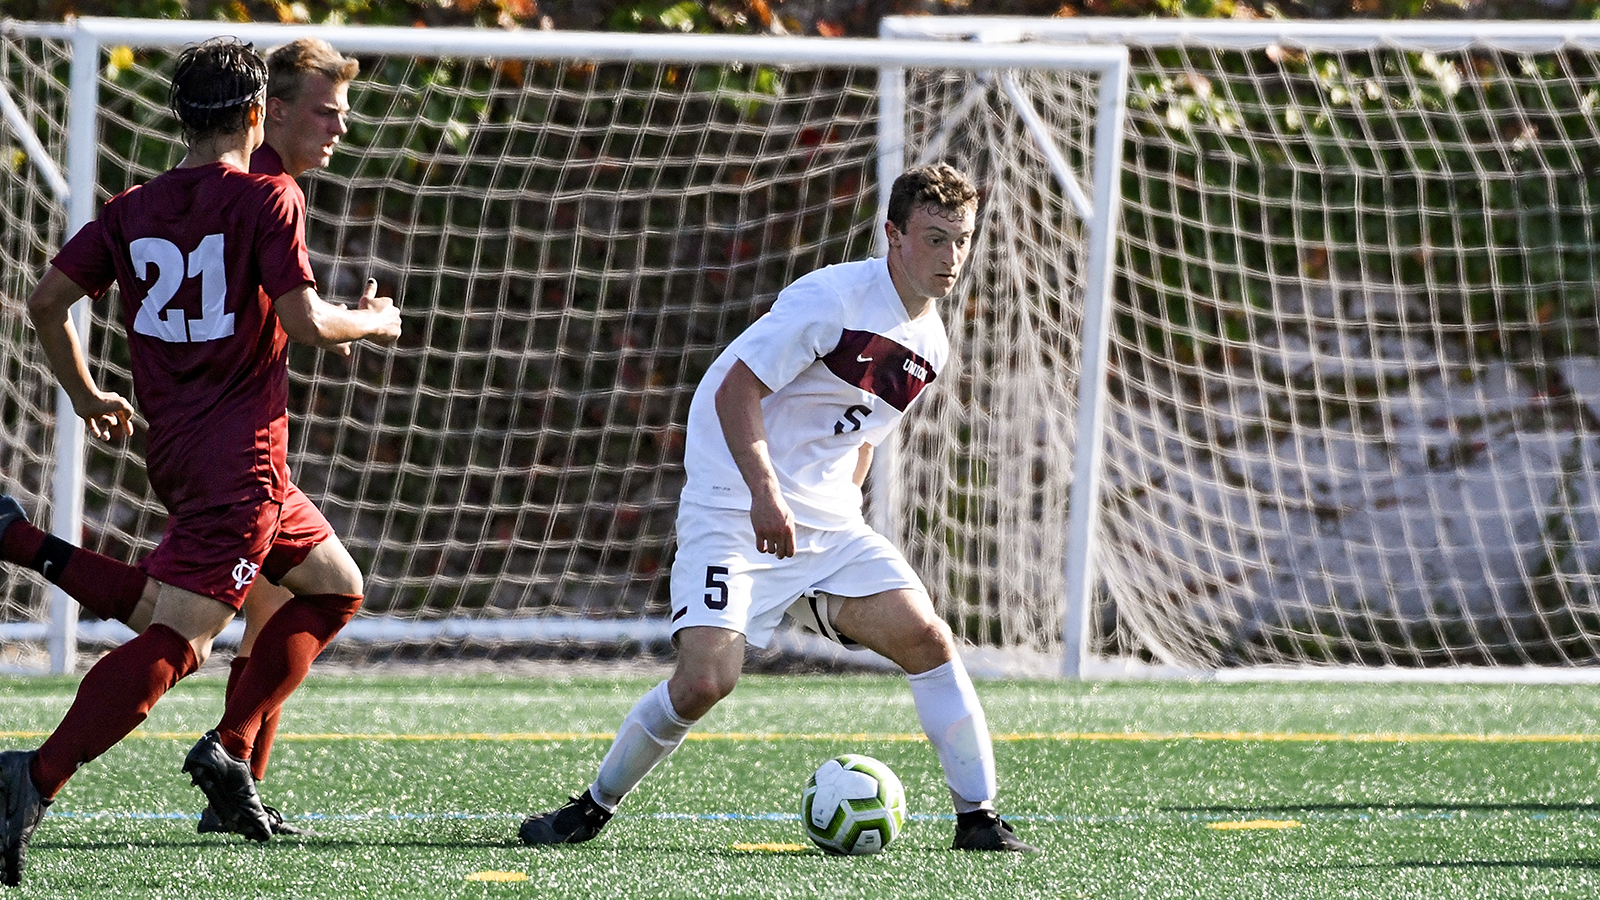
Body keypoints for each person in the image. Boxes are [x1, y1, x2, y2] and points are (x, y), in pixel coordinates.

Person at [517, 163, 1037, 853]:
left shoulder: (931, 342)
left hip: (825, 523)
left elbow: (862, 435)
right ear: (893, 236)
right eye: (935, 238)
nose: (951, 258)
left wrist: (843, 515)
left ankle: (977, 818)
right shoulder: (832, 300)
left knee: (928, 639)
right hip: (735, 502)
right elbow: (736, 392)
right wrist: (765, 496)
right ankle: (591, 807)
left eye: (962, 241)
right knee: (706, 681)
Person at [0, 37, 399, 886]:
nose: (335, 126)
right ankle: (32, 778)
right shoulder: (268, 197)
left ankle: (229, 762)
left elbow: (45, 302)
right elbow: (303, 324)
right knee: (178, 633)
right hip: (240, 462)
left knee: (334, 585)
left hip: (180, 450)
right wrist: (374, 322)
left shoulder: (135, 205)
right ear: (258, 115)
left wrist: (85, 394)